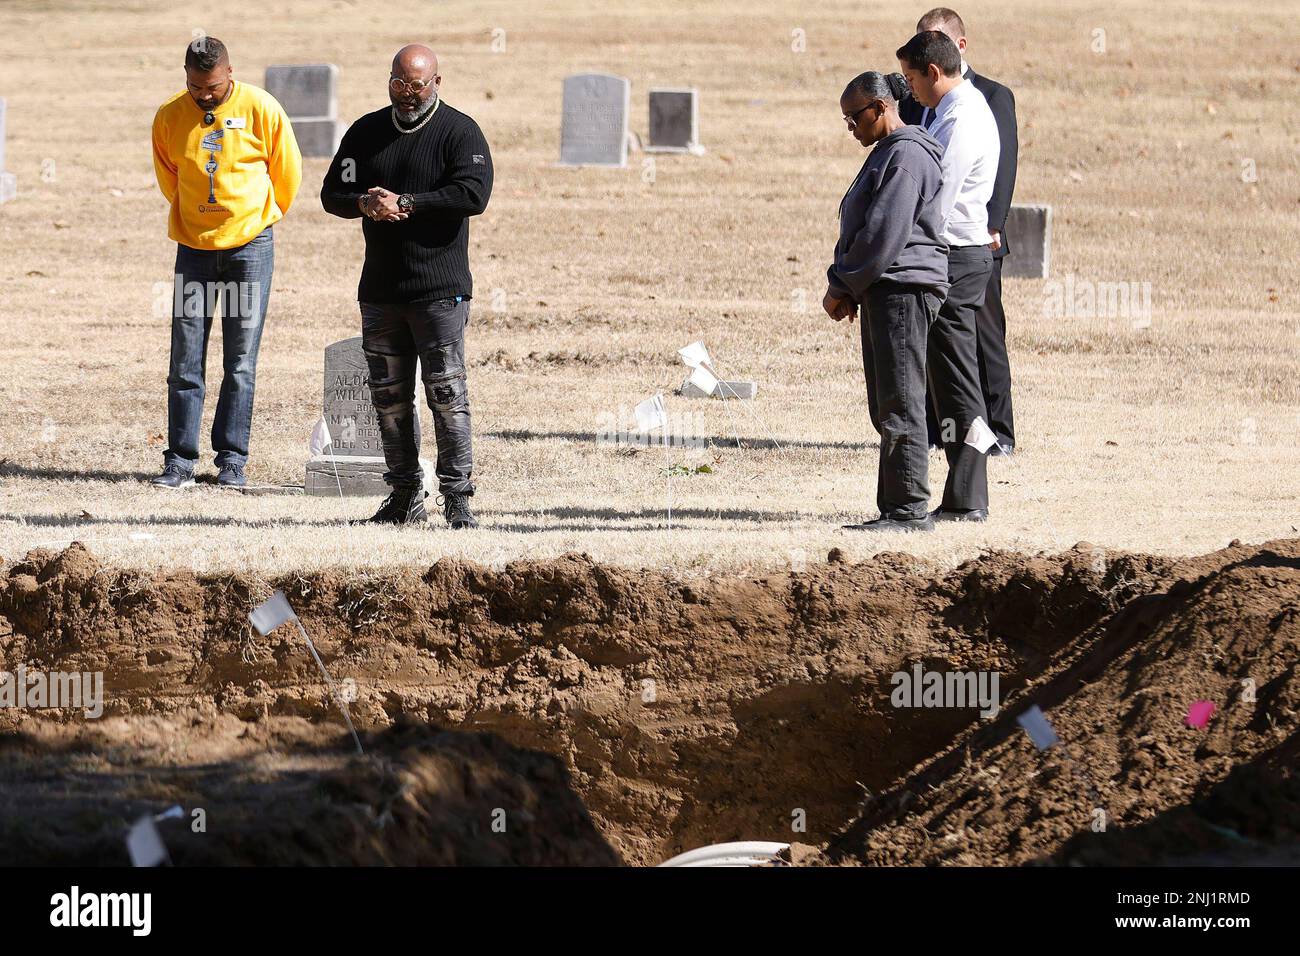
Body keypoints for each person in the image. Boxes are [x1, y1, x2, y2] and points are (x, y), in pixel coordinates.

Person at [321, 44, 493, 528]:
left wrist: (409, 202)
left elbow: (472, 194)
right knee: (389, 397)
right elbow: (332, 192)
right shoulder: (366, 132)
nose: (407, 93)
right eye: (398, 82)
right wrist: (364, 204)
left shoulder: (459, 132)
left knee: (446, 393)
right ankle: (403, 497)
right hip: (381, 289)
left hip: (439, 289)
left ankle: (457, 499)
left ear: (437, 82)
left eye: (417, 84)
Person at [150, 36, 301, 489]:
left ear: (230, 73)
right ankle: (179, 460)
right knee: (185, 357)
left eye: (212, 87)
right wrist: (198, 220)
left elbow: (286, 172)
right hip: (194, 249)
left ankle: (232, 459)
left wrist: (255, 220)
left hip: (250, 248)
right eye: (196, 87)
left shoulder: (262, 108)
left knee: (239, 361)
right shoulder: (170, 115)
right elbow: (168, 175)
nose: (204, 95)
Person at [824, 72, 949, 533]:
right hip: (887, 289)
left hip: (904, 290)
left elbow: (883, 235)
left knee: (900, 401)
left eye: (854, 117)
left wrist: (842, 285)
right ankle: (895, 507)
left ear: (879, 107)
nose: (851, 127)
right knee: (888, 401)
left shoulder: (907, 156)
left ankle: (908, 510)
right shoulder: (890, 153)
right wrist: (856, 286)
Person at [896, 30, 999, 522]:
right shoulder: (953, 110)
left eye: (912, 78)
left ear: (934, 72)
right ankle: (962, 493)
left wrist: (907, 243)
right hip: (956, 253)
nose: (909, 88)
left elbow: (939, 193)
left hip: (956, 256)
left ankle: (968, 496)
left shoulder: (961, 118)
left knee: (957, 377)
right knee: (948, 376)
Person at [907, 7, 1019, 453]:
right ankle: (945, 430)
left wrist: (993, 225)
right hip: (940, 241)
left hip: (977, 237)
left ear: (958, 46)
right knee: (945, 343)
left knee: (985, 337)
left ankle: (1000, 431)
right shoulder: (921, 97)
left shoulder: (989, 96)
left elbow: (1002, 168)